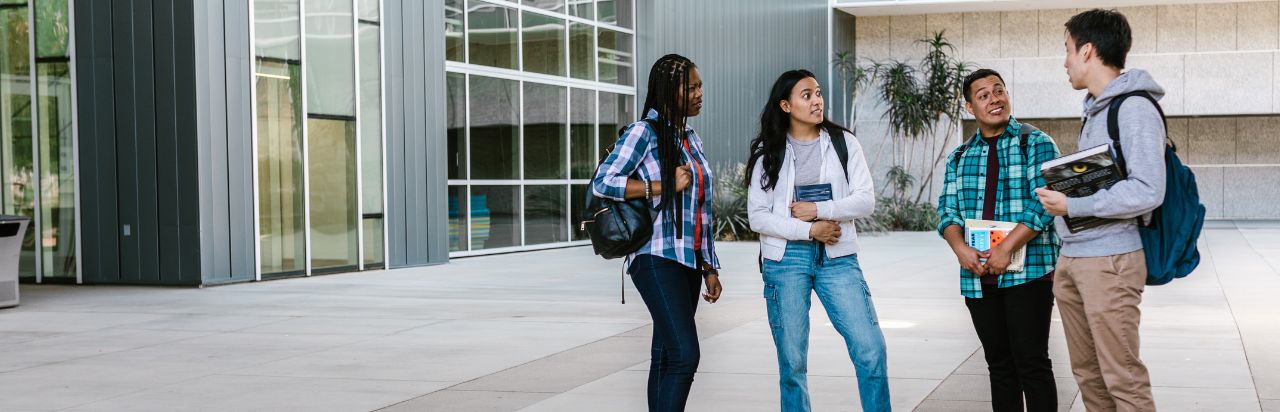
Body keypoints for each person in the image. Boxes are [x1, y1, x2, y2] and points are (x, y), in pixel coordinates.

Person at [1036, 9, 1166, 411]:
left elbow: (1148, 189)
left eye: (1068, 50)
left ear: (1088, 50)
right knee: (1089, 377)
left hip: (1111, 261)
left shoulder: (1134, 108)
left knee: (1121, 379)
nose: (1065, 62)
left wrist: (1071, 204)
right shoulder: (1095, 108)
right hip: (1077, 257)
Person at [745, 69, 888, 411]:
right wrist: (810, 230)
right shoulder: (769, 154)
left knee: (871, 348)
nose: (816, 101)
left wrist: (820, 210)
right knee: (792, 361)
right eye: (806, 95)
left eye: (818, 93)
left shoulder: (843, 143)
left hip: (837, 258)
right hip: (786, 261)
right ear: (785, 105)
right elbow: (758, 217)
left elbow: (865, 199)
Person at [592, 53, 723, 412]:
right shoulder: (643, 132)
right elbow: (604, 181)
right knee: (685, 355)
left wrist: (710, 267)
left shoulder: (690, 138)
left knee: (665, 355)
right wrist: (657, 185)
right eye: (691, 87)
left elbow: (702, 210)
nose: (700, 93)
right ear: (668, 92)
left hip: (688, 260)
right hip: (655, 257)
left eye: (700, 86)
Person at [937, 68, 1061, 411]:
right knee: (999, 367)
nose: (995, 99)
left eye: (999, 90)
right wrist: (960, 249)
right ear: (969, 107)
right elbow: (947, 212)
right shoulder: (959, 157)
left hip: (1028, 273)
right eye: (984, 95)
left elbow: (1046, 203)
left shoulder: (1035, 142)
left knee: (1032, 364)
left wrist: (1007, 247)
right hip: (978, 277)